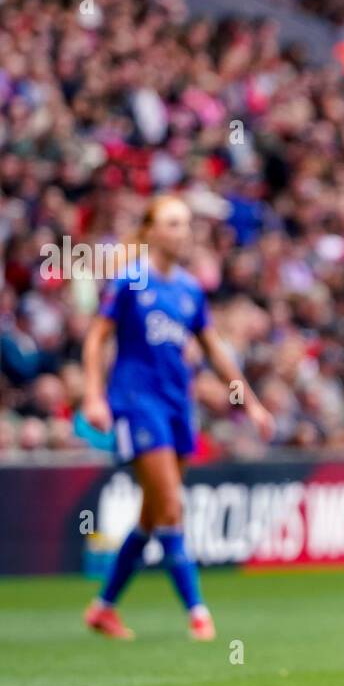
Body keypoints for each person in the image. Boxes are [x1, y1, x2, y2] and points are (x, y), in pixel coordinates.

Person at [80, 195, 274, 641]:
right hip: (135, 403)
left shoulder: (189, 289)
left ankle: (103, 607)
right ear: (150, 231)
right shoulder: (129, 281)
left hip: (176, 406)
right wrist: (93, 396)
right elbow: (96, 338)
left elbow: (215, 352)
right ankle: (198, 611)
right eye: (172, 223)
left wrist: (253, 403)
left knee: (152, 515)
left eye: (185, 224)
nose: (182, 232)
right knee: (171, 506)